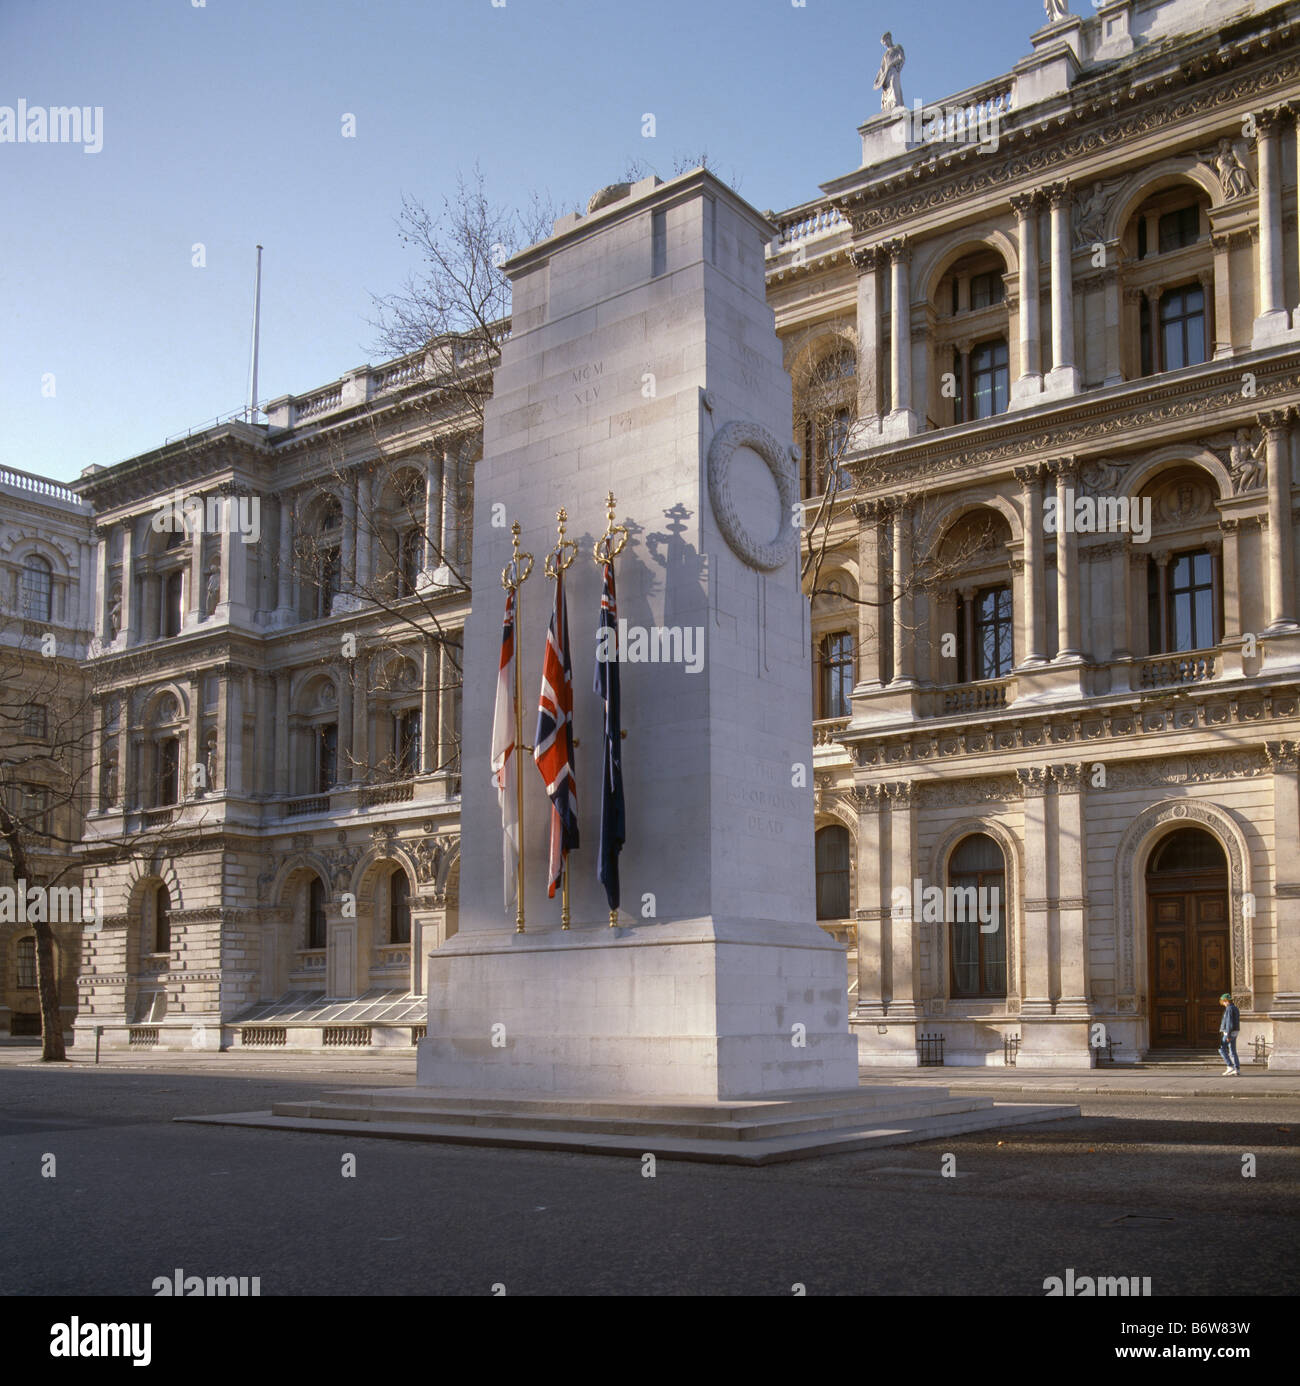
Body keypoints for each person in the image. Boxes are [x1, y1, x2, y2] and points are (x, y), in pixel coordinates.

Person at [1218, 992, 1241, 1076]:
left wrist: (1227, 1035)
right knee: (1233, 1051)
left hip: (1229, 1032)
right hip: (1235, 1031)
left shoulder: (1229, 1009)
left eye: (1223, 1002)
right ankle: (1237, 1069)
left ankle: (1230, 1066)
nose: (1223, 1004)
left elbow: (1229, 1023)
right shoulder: (1235, 1008)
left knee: (1221, 1049)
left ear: (1226, 1001)